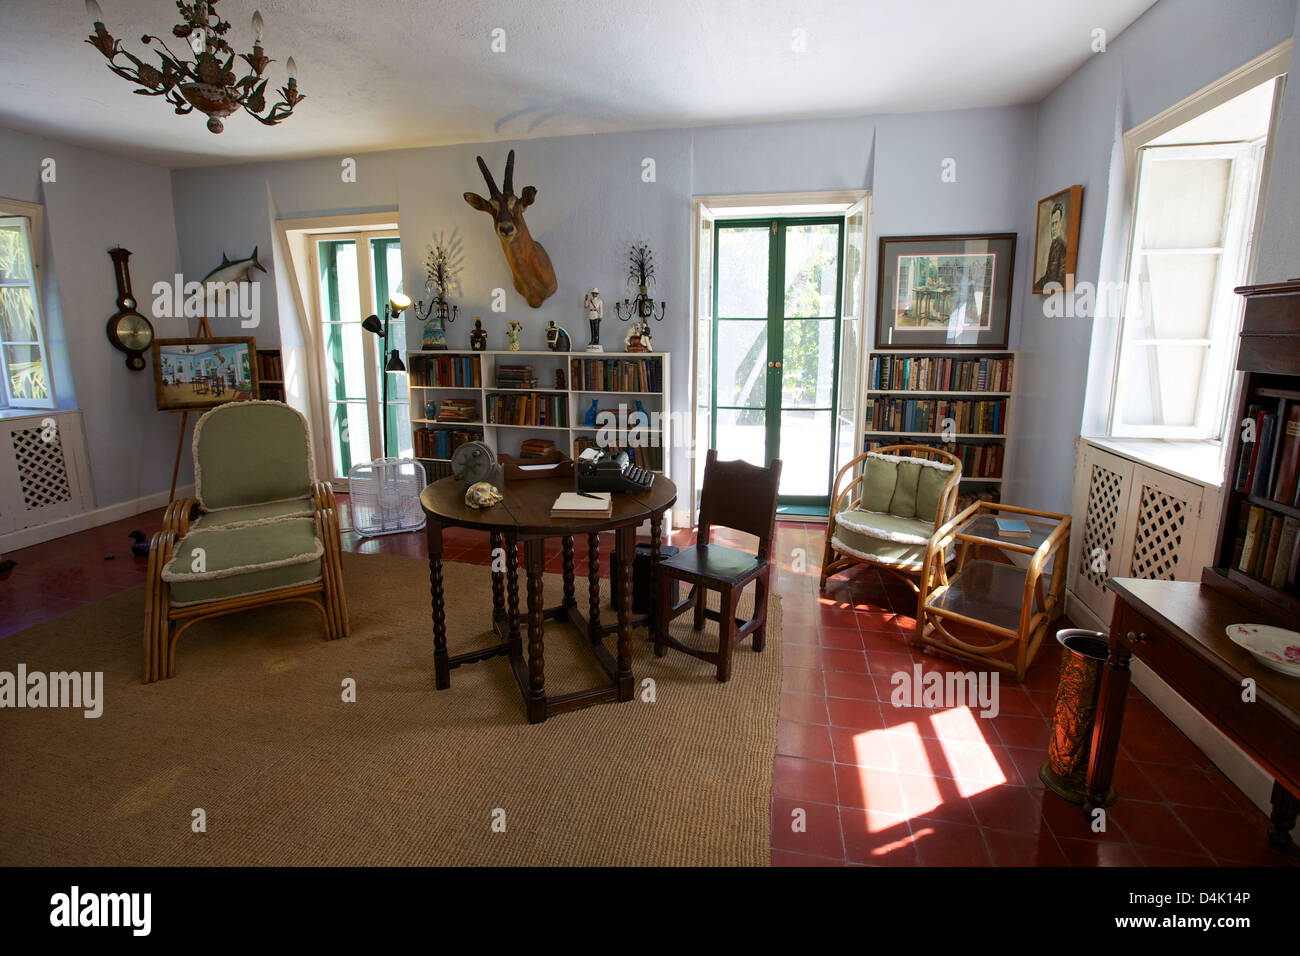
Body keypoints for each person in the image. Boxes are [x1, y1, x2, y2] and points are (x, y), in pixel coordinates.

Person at [1038, 202, 1068, 288]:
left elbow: (1060, 281)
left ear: (1060, 224)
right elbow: (1048, 275)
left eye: (1056, 223)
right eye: (1052, 224)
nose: (1053, 228)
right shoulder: (1054, 245)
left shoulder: (1063, 248)